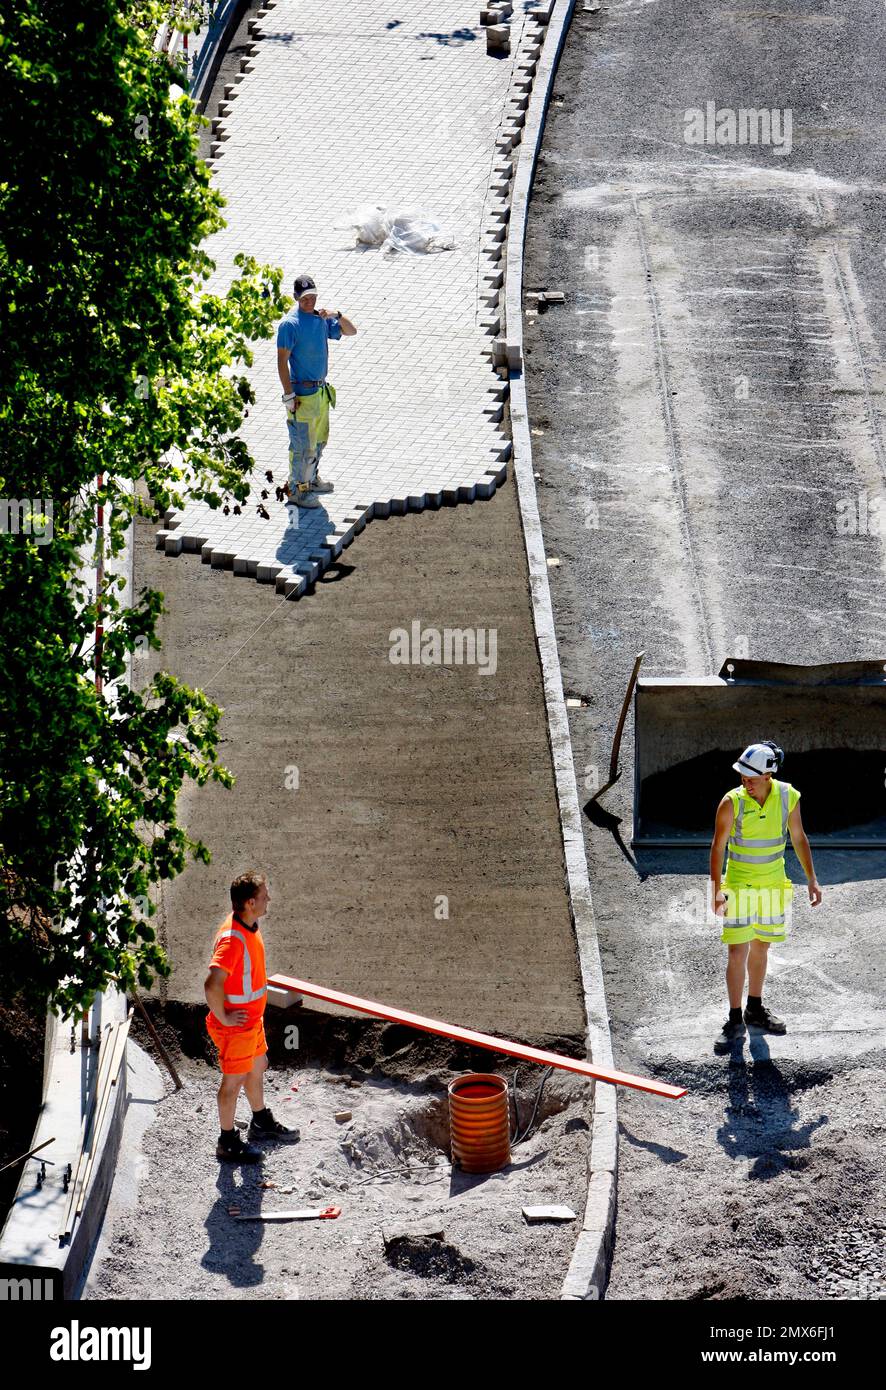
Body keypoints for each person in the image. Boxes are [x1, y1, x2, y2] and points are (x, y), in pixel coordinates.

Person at [710, 741, 822, 1046]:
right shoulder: (731, 803)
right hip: (740, 887)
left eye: (751, 778)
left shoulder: (788, 796)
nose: (745, 783)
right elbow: (718, 848)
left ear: (768, 775)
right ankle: (734, 1018)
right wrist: (716, 890)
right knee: (737, 951)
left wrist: (812, 879)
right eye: (742, 778)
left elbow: (798, 838)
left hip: (772, 886)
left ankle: (754, 1009)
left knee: (761, 948)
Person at [204, 871, 299, 1162]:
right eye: (263, 895)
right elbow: (211, 984)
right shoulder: (233, 941)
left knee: (258, 1066)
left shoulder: (249, 925)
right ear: (249, 902)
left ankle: (259, 1122)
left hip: (250, 1023)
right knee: (232, 1083)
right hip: (238, 1027)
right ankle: (227, 1141)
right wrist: (224, 1017)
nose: (268, 898)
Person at [276, 274, 357, 508]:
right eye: (303, 298)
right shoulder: (289, 325)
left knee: (319, 441)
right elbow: (282, 362)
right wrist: (289, 396)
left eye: (311, 296)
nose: (308, 301)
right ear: (295, 298)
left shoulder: (320, 320)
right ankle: (297, 490)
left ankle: (310, 481)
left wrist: (336, 315)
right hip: (301, 397)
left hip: (321, 393)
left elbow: (351, 331)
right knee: (302, 445)